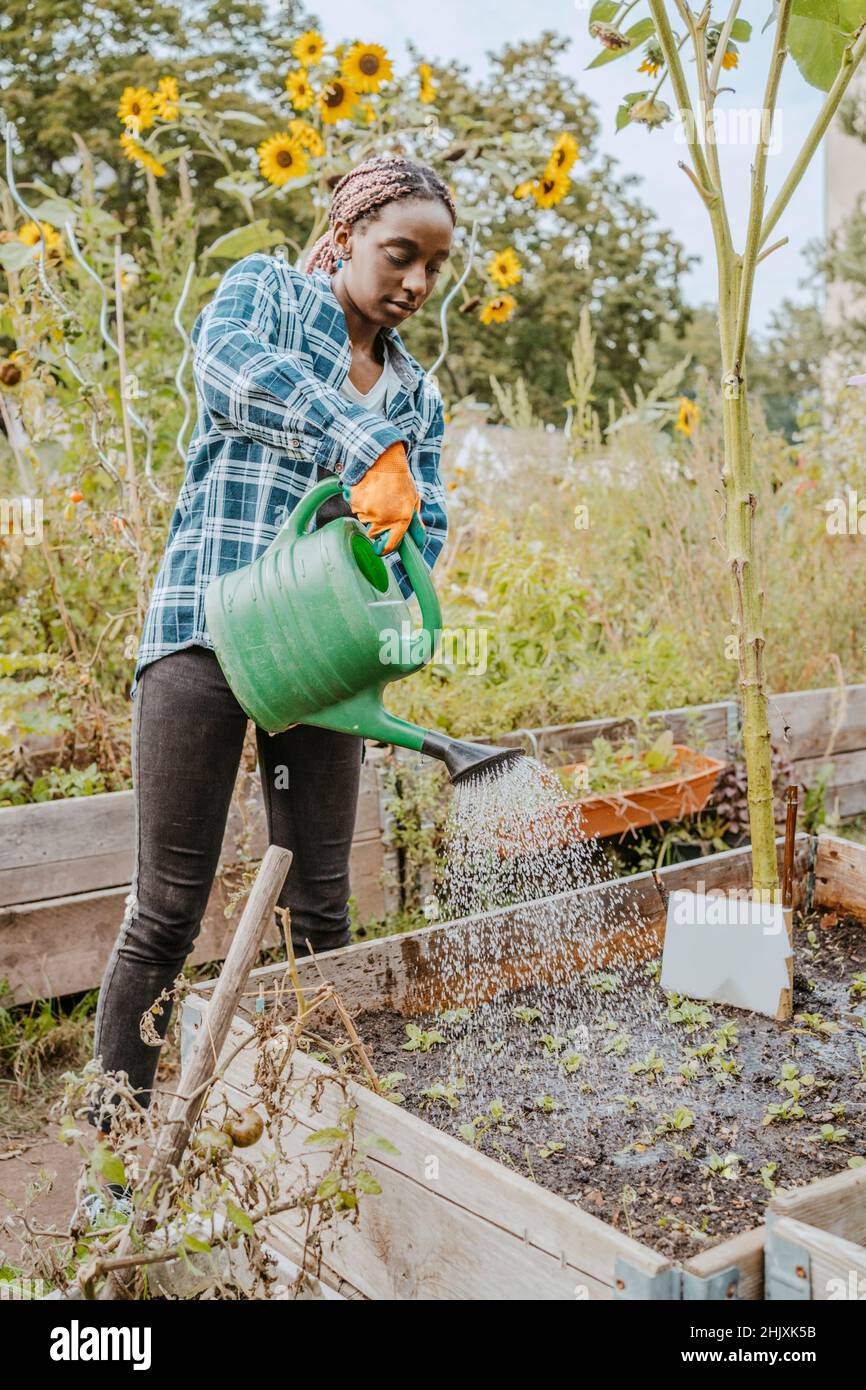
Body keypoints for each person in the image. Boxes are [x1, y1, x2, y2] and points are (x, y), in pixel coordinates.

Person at [88, 152, 454, 1136]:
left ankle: (318, 1136)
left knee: (321, 904)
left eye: (432, 266)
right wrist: (361, 446)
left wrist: (402, 532)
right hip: (205, 635)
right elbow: (231, 371)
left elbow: (427, 531)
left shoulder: (416, 395)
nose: (415, 282)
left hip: (326, 666)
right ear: (342, 238)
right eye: (398, 254)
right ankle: (114, 1142)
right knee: (167, 905)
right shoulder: (263, 298)